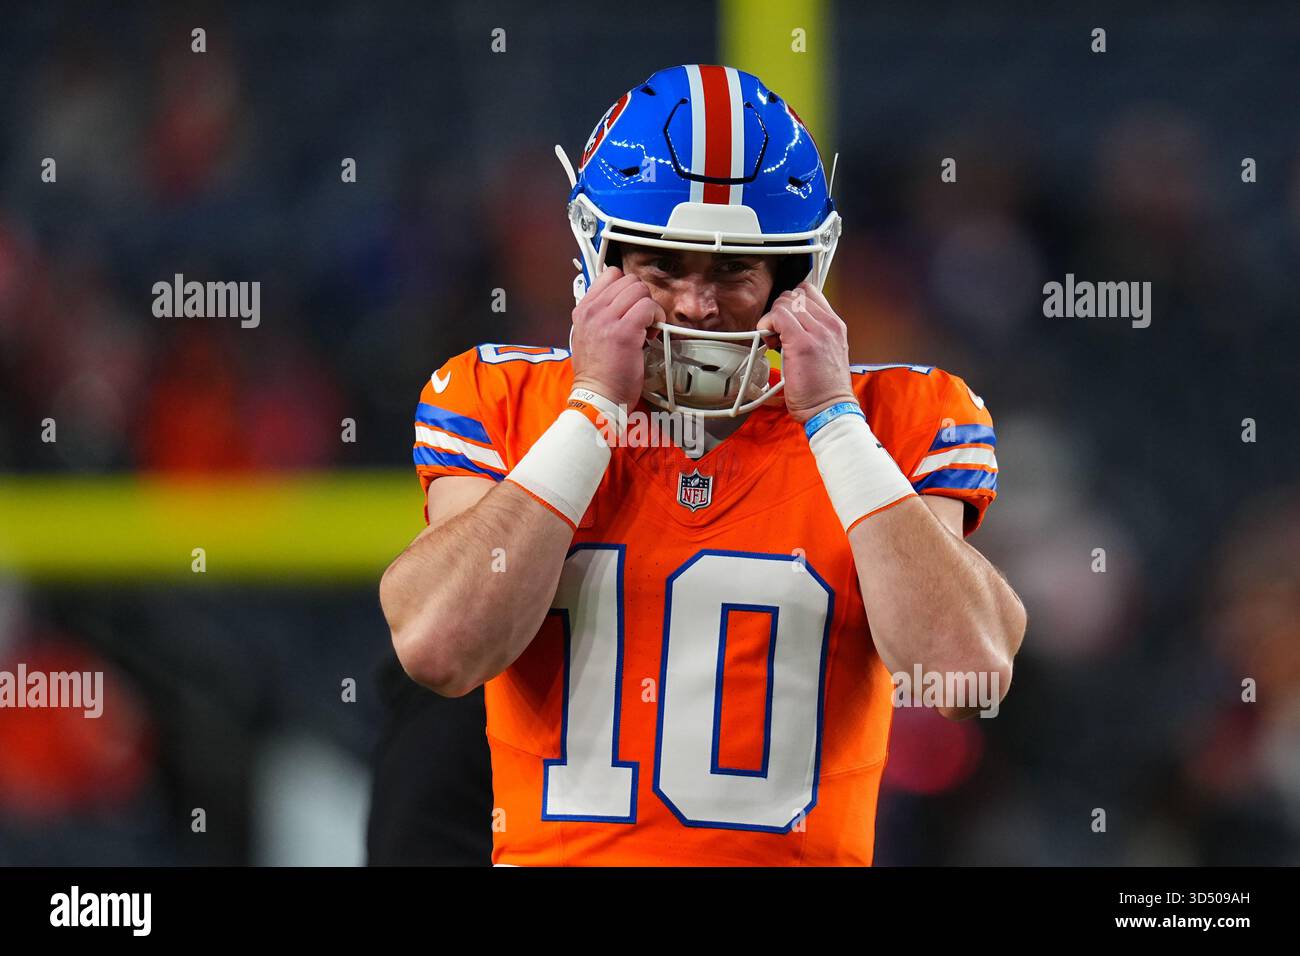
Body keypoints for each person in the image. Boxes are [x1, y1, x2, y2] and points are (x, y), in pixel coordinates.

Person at [379, 64, 1026, 866]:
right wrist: (592, 413)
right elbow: (441, 649)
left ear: (793, 277)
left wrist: (834, 422)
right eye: (663, 266)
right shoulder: (504, 399)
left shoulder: (896, 418)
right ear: (603, 259)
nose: (695, 304)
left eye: (732, 270)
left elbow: (964, 677)